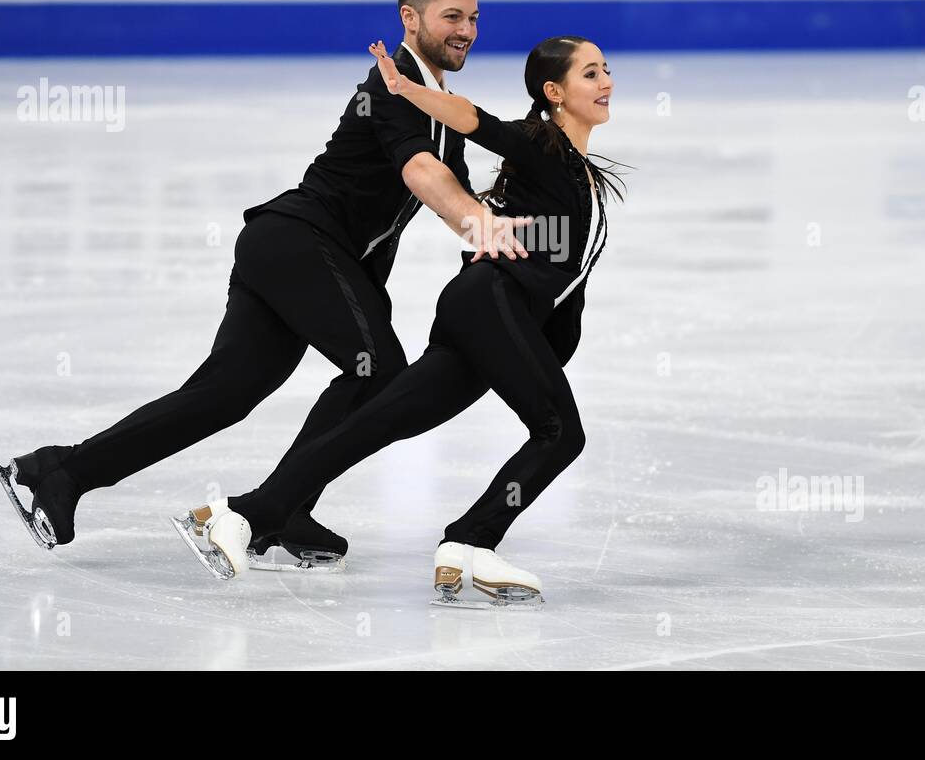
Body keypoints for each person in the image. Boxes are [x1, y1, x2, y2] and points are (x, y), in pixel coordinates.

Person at [0, 0, 530, 571]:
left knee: (223, 395)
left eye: (475, 18)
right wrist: (478, 225)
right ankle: (277, 507)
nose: (467, 30)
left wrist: (508, 226)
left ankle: (57, 473)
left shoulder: (437, 105)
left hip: (290, 252)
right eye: (452, 16)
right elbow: (423, 175)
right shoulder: (388, 85)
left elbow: (451, 193)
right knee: (380, 374)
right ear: (410, 18)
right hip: (301, 245)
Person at [178, 35, 626, 606]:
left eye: (606, 69)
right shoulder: (545, 147)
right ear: (554, 92)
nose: (607, 81)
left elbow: (563, 270)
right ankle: (471, 541)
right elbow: (474, 120)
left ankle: (244, 513)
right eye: (591, 74)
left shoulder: (577, 172)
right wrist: (409, 89)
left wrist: (552, 342)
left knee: (382, 421)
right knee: (562, 433)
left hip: (485, 311)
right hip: (490, 306)